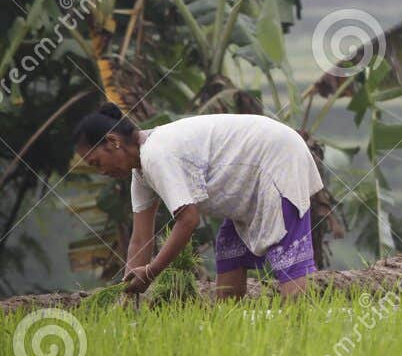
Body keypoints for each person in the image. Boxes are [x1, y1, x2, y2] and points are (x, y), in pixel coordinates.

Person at [73, 102, 323, 299]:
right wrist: (126, 296)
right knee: (230, 249)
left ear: (113, 142)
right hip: (249, 180)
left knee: (286, 252)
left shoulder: (156, 155)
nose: (101, 171)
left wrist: (151, 272)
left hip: (276, 157)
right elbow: (140, 240)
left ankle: (301, 331)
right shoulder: (141, 172)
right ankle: (230, 332)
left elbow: (188, 219)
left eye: (96, 163)